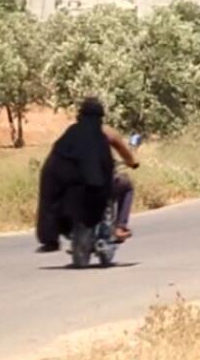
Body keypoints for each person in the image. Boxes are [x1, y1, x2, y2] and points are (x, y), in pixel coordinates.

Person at [35, 98, 138, 252]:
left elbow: (56, 162)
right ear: (100, 117)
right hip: (94, 185)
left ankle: (50, 240)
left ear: (80, 115)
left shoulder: (71, 132)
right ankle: (120, 226)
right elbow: (127, 156)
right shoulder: (106, 132)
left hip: (66, 184)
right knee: (126, 185)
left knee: (49, 200)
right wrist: (133, 163)